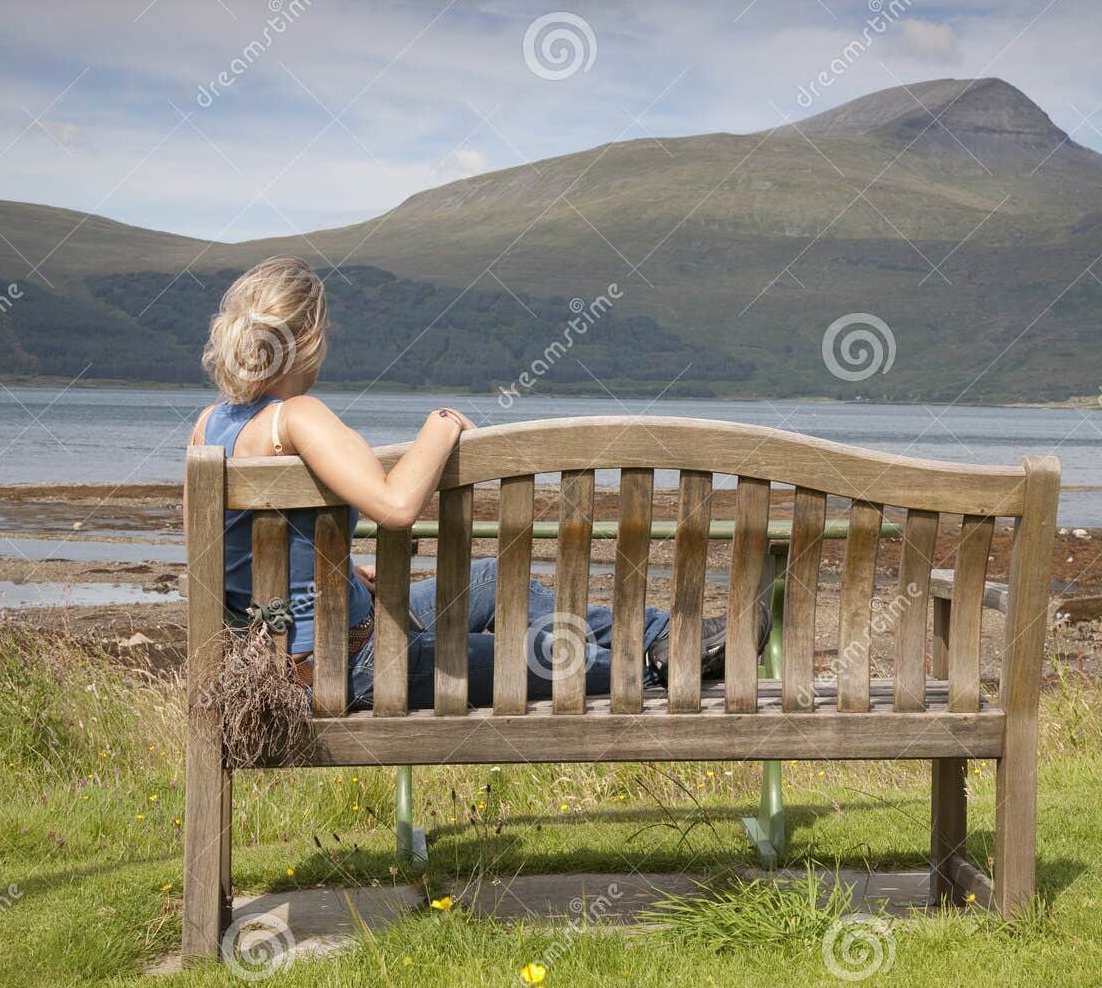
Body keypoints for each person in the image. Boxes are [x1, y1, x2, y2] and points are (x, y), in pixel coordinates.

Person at [187, 256, 761, 710]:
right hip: (354, 665)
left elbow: (219, 562)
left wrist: (330, 573)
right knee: (537, 656)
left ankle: (666, 632)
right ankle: (667, 661)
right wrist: (441, 426)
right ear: (309, 341)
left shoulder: (209, 426)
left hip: (306, 647)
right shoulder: (298, 417)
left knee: (487, 577)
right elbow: (396, 506)